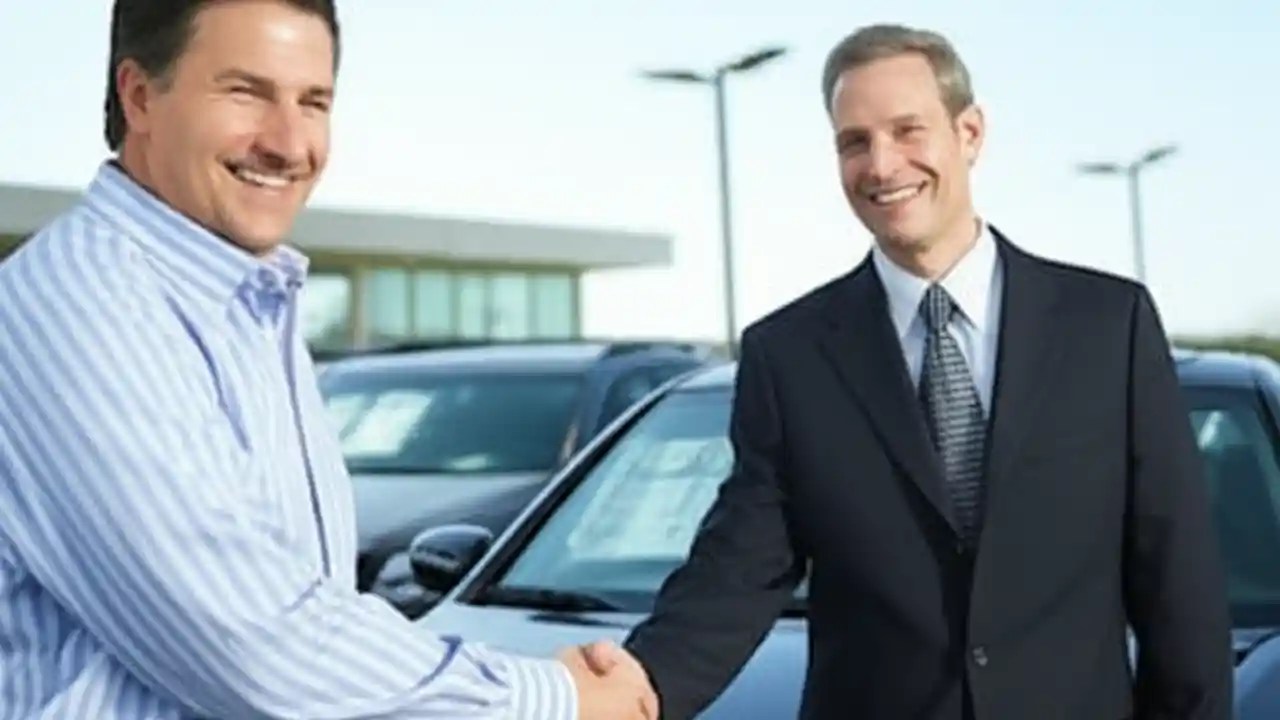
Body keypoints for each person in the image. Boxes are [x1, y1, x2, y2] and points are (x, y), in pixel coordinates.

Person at [0, 1, 656, 718]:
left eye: (313, 102)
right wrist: (552, 699)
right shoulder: (79, 306)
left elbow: (309, 612)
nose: (289, 143)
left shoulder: (245, 307)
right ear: (140, 96)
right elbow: (250, 643)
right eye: (245, 91)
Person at [577, 22, 1235, 720]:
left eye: (907, 131)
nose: (882, 165)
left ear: (971, 133)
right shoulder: (789, 355)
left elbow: (1177, 579)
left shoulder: (1109, 325)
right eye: (853, 142)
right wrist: (635, 687)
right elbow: (739, 565)